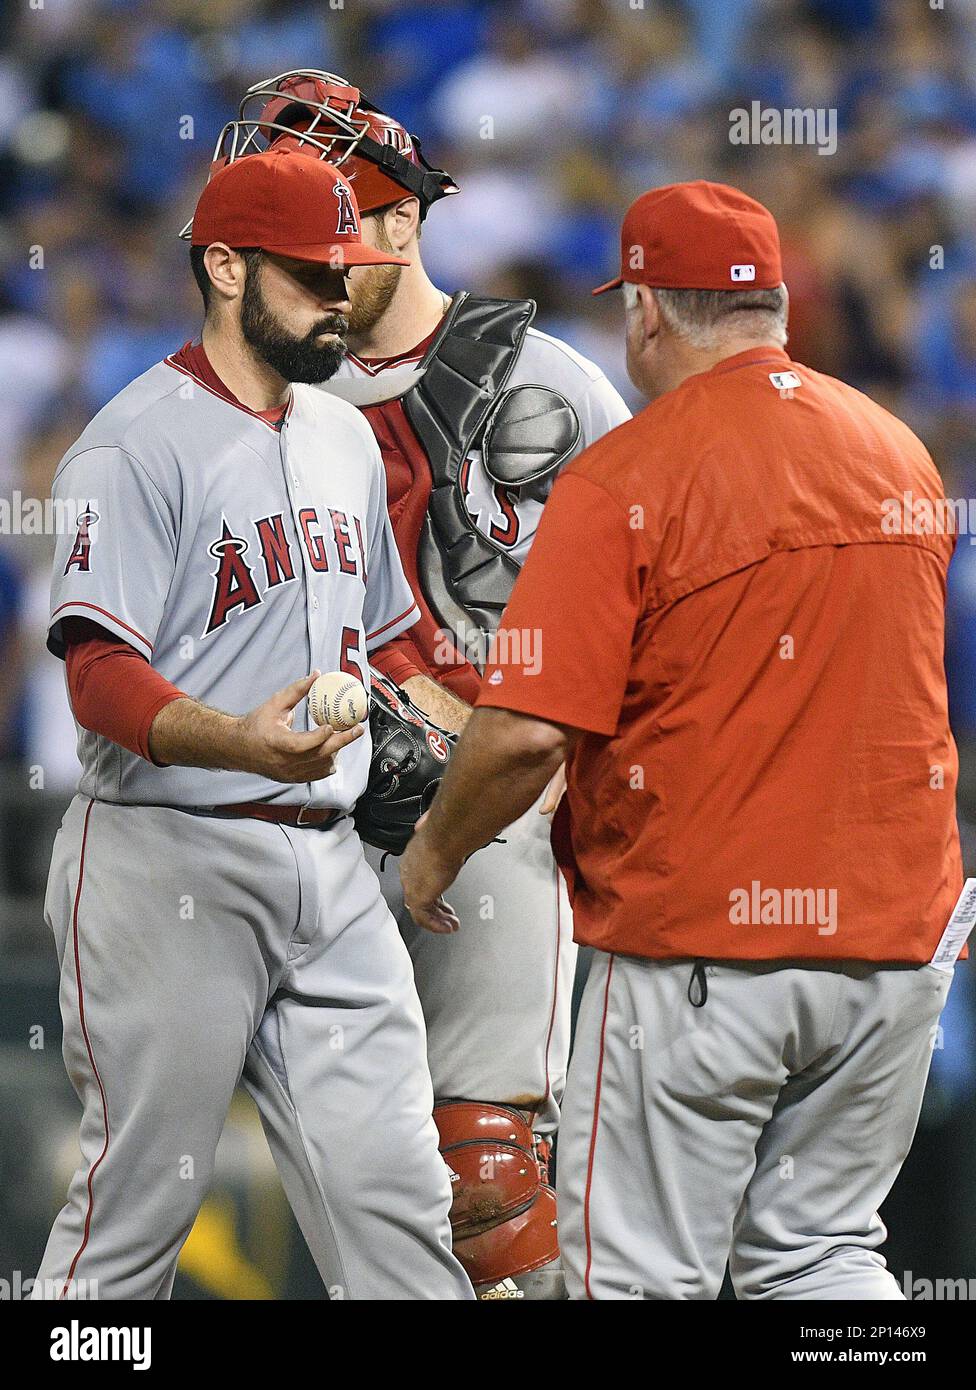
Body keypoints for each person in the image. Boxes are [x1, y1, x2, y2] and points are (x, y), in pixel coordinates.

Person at [400, 180, 964, 1300]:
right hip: (899, 947)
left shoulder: (625, 474)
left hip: (703, 943)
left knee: (637, 1278)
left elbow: (522, 736)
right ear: (778, 311)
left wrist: (431, 856)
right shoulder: (900, 452)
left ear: (647, 312)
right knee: (818, 1253)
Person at [208, 69, 632, 1295]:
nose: (304, 247)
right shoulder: (253, 393)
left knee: (488, 1177)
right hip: (300, 820)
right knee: (357, 1197)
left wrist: (505, 720)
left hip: (492, 816)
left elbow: (638, 624)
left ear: (401, 224)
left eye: (330, 216)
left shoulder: (550, 386)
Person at [32, 147, 473, 1302]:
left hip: (330, 868)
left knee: (400, 1214)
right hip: (166, 852)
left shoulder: (338, 436)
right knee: (131, 1224)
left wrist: (457, 750)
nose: (341, 297)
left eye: (346, 272)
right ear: (225, 267)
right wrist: (237, 739)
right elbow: (97, 672)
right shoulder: (136, 444)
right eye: (312, 275)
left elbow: (384, 646)